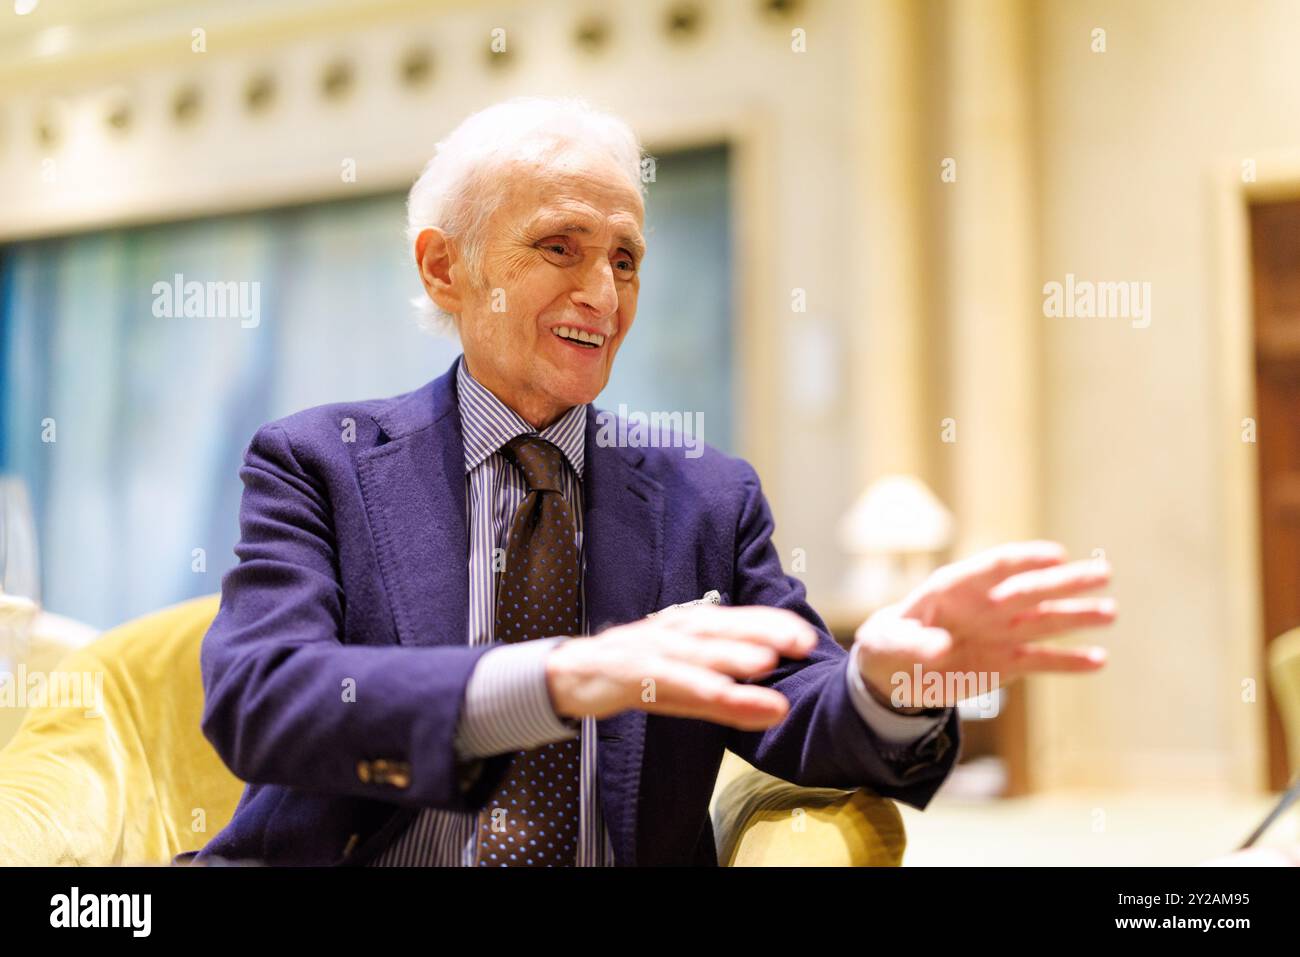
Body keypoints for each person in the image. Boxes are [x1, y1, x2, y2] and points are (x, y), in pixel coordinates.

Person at [185, 97, 1115, 867]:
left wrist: (887, 681)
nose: (604, 292)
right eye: (560, 247)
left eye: (625, 258)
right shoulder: (322, 461)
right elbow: (261, 698)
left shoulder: (706, 495)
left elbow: (795, 706)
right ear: (444, 268)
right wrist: (556, 675)